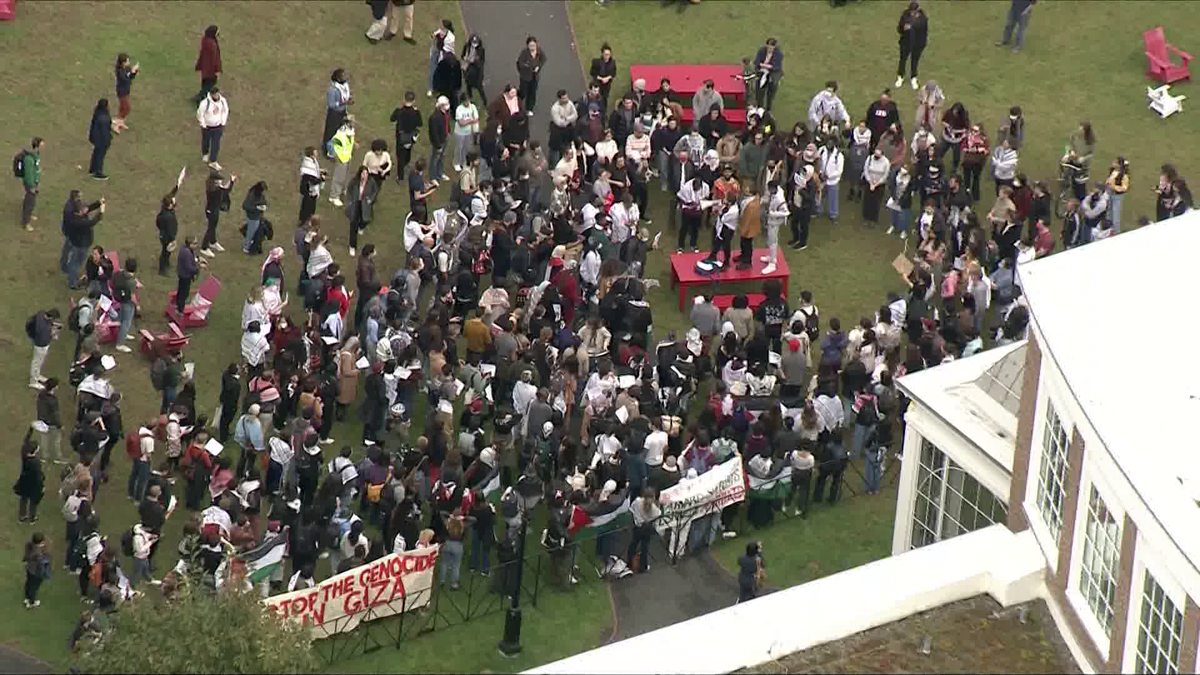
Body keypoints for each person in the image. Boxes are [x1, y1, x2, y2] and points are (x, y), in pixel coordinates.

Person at [201, 170, 237, 257]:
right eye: (219, 180)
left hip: (211, 210)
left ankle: (213, 242)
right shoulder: (216, 190)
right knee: (210, 229)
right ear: (215, 181)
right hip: (212, 212)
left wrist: (230, 181)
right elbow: (227, 190)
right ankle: (204, 248)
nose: (221, 181)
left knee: (213, 227)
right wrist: (231, 181)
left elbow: (224, 188)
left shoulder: (212, 186)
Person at [345, 165, 378, 257]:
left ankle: (361, 227)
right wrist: (350, 200)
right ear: (360, 174)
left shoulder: (371, 182)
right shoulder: (355, 181)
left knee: (366, 219)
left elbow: (375, 191)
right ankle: (352, 246)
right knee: (353, 226)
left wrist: (370, 199)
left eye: (366, 173)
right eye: (363, 173)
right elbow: (349, 189)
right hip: (355, 204)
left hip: (365, 205)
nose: (365, 175)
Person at [895, 1, 928, 90]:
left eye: (914, 11)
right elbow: (899, 28)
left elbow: (923, 28)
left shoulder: (923, 18)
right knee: (902, 60)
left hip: (918, 44)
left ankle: (913, 78)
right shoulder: (905, 15)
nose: (912, 13)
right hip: (905, 43)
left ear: (918, 10)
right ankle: (900, 77)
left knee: (914, 61)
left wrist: (912, 25)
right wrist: (903, 28)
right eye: (911, 11)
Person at [391, 92, 422, 180]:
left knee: (400, 156)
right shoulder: (416, 112)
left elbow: (392, 119)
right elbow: (420, 124)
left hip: (401, 137)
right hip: (411, 137)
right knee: (408, 151)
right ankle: (406, 163)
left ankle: (400, 176)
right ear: (414, 101)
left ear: (404, 99)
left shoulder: (399, 111)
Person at [196, 87, 229, 170]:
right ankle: (205, 154)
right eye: (215, 94)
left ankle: (213, 161)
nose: (217, 95)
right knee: (206, 140)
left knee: (216, 144)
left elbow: (225, 110)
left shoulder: (222, 100)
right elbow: (200, 114)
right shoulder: (205, 103)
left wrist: (223, 122)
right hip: (207, 127)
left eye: (217, 93)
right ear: (211, 94)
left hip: (218, 127)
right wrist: (203, 124)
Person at [323, 69, 353, 153]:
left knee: (342, 129)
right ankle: (327, 151)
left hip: (342, 112)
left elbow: (345, 95)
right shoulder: (332, 90)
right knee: (331, 132)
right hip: (334, 114)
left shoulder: (345, 85)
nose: (346, 77)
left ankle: (339, 147)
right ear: (338, 78)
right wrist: (344, 102)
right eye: (343, 76)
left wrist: (348, 98)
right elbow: (331, 104)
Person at [176, 236, 207, 314]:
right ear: (190, 244)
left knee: (181, 292)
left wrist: (198, 258)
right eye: (195, 243)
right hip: (185, 276)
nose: (197, 245)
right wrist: (199, 266)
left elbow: (191, 258)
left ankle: (178, 306)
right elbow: (189, 268)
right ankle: (180, 310)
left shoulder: (185, 249)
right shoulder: (187, 253)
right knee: (184, 293)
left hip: (182, 274)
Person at [516, 36, 546, 116]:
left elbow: (543, 59)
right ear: (527, 46)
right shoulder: (524, 53)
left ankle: (529, 108)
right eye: (530, 46)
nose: (532, 47)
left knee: (532, 92)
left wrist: (538, 66)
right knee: (523, 92)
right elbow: (520, 63)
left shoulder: (539, 51)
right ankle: (517, 101)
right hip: (525, 77)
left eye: (534, 45)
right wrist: (528, 66)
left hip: (534, 77)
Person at [19, 137, 43, 232]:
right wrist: (32, 186)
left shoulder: (36, 154)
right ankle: (26, 222)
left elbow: (35, 167)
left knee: (32, 200)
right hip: (31, 184)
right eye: (42, 144)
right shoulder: (29, 159)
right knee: (30, 202)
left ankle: (29, 215)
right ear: (36, 146)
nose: (43, 146)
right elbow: (28, 175)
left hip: (35, 182)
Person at [752, 38, 784, 111]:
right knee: (759, 91)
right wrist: (767, 66)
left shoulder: (778, 54)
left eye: (771, 47)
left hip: (773, 74)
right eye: (768, 46)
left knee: (771, 92)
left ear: (774, 47)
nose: (769, 48)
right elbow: (756, 62)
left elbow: (776, 67)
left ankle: (768, 109)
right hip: (762, 72)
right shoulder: (761, 51)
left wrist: (764, 65)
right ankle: (759, 107)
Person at [862, 147, 891, 227]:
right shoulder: (870, 158)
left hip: (879, 184)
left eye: (878, 156)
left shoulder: (886, 162)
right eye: (875, 155)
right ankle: (866, 218)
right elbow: (866, 170)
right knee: (867, 201)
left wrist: (876, 184)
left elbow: (885, 176)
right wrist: (870, 182)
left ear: (882, 155)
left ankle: (873, 219)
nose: (876, 157)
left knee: (876, 202)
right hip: (870, 182)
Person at [427, 20, 456, 98]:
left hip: (444, 54)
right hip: (436, 51)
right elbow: (433, 37)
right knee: (432, 69)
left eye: (442, 25)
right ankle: (430, 88)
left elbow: (447, 49)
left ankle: (440, 88)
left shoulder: (451, 38)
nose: (440, 25)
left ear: (446, 27)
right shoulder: (439, 31)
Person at [193, 25, 221, 103]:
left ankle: (202, 98)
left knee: (205, 85)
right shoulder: (212, 44)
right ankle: (200, 99)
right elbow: (215, 59)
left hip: (205, 69)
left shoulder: (205, 40)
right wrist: (217, 70)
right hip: (211, 71)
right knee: (208, 87)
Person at [22, 532, 50, 608]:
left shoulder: (29, 545)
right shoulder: (38, 553)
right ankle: (31, 602)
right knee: (34, 588)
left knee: (28, 583)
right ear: (40, 542)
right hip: (36, 572)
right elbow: (41, 563)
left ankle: (27, 598)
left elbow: (26, 556)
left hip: (29, 569)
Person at [453, 92, 479, 172]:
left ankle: (464, 162)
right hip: (459, 133)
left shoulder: (472, 107)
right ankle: (456, 163)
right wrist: (470, 120)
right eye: (466, 101)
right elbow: (461, 123)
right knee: (459, 148)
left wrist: (467, 121)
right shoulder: (459, 109)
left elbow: (476, 119)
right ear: (462, 101)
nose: (468, 103)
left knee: (466, 148)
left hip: (468, 132)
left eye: (468, 100)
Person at [87, 99, 113, 181]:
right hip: (102, 139)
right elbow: (105, 131)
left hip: (96, 138)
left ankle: (92, 169)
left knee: (96, 153)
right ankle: (98, 172)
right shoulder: (104, 117)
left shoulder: (98, 113)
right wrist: (108, 140)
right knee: (100, 156)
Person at [240, 181, 269, 254]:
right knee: (250, 232)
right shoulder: (251, 195)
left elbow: (263, 201)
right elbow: (245, 206)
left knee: (253, 231)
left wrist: (264, 206)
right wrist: (257, 208)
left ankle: (249, 242)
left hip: (257, 216)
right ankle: (246, 247)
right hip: (253, 217)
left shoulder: (259, 194)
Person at [113, 54, 139, 132]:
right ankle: (116, 124)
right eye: (127, 61)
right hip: (121, 91)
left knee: (122, 108)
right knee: (127, 108)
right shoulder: (119, 71)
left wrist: (134, 72)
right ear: (123, 63)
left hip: (126, 90)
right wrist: (131, 72)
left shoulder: (127, 68)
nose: (129, 62)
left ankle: (119, 122)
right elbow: (125, 79)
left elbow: (130, 77)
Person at [156, 187, 179, 275]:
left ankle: (166, 263)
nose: (174, 203)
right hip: (167, 237)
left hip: (163, 235)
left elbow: (170, 195)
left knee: (167, 251)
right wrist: (173, 240)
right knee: (165, 252)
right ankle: (162, 269)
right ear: (169, 205)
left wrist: (176, 187)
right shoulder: (169, 217)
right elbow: (170, 231)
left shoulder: (164, 209)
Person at [429, 96, 452, 182]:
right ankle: (433, 177)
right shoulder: (434, 117)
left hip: (445, 137)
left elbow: (447, 122)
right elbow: (433, 133)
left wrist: (448, 132)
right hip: (439, 142)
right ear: (441, 105)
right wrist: (438, 146)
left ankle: (440, 173)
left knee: (442, 157)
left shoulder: (446, 112)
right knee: (435, 159)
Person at [461, 34, 487, 106]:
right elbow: (462, 55)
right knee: (468, 84)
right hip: (467, 69)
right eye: (473, 42)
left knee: (479, 87)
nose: (474, 45)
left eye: (476, 43)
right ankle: (470, 97)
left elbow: (482, 62)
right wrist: (465, 59)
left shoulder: (481, 50)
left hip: (476, 72)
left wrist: (474, 61)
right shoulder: (467, 46)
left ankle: (485, 101)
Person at [1106, 157, 1130, 234]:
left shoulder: (1124, 175)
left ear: (1119, 165)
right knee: (1109, 213)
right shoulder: (1113, 170)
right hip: (1110, 194)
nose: (1113, 163)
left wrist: (1113, 187)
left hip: (1117, 197)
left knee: (1116, 216)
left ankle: (1116, 233)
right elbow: (1110, 179)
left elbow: (1124, 188)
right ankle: (1108, 230)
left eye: (1115, 162)